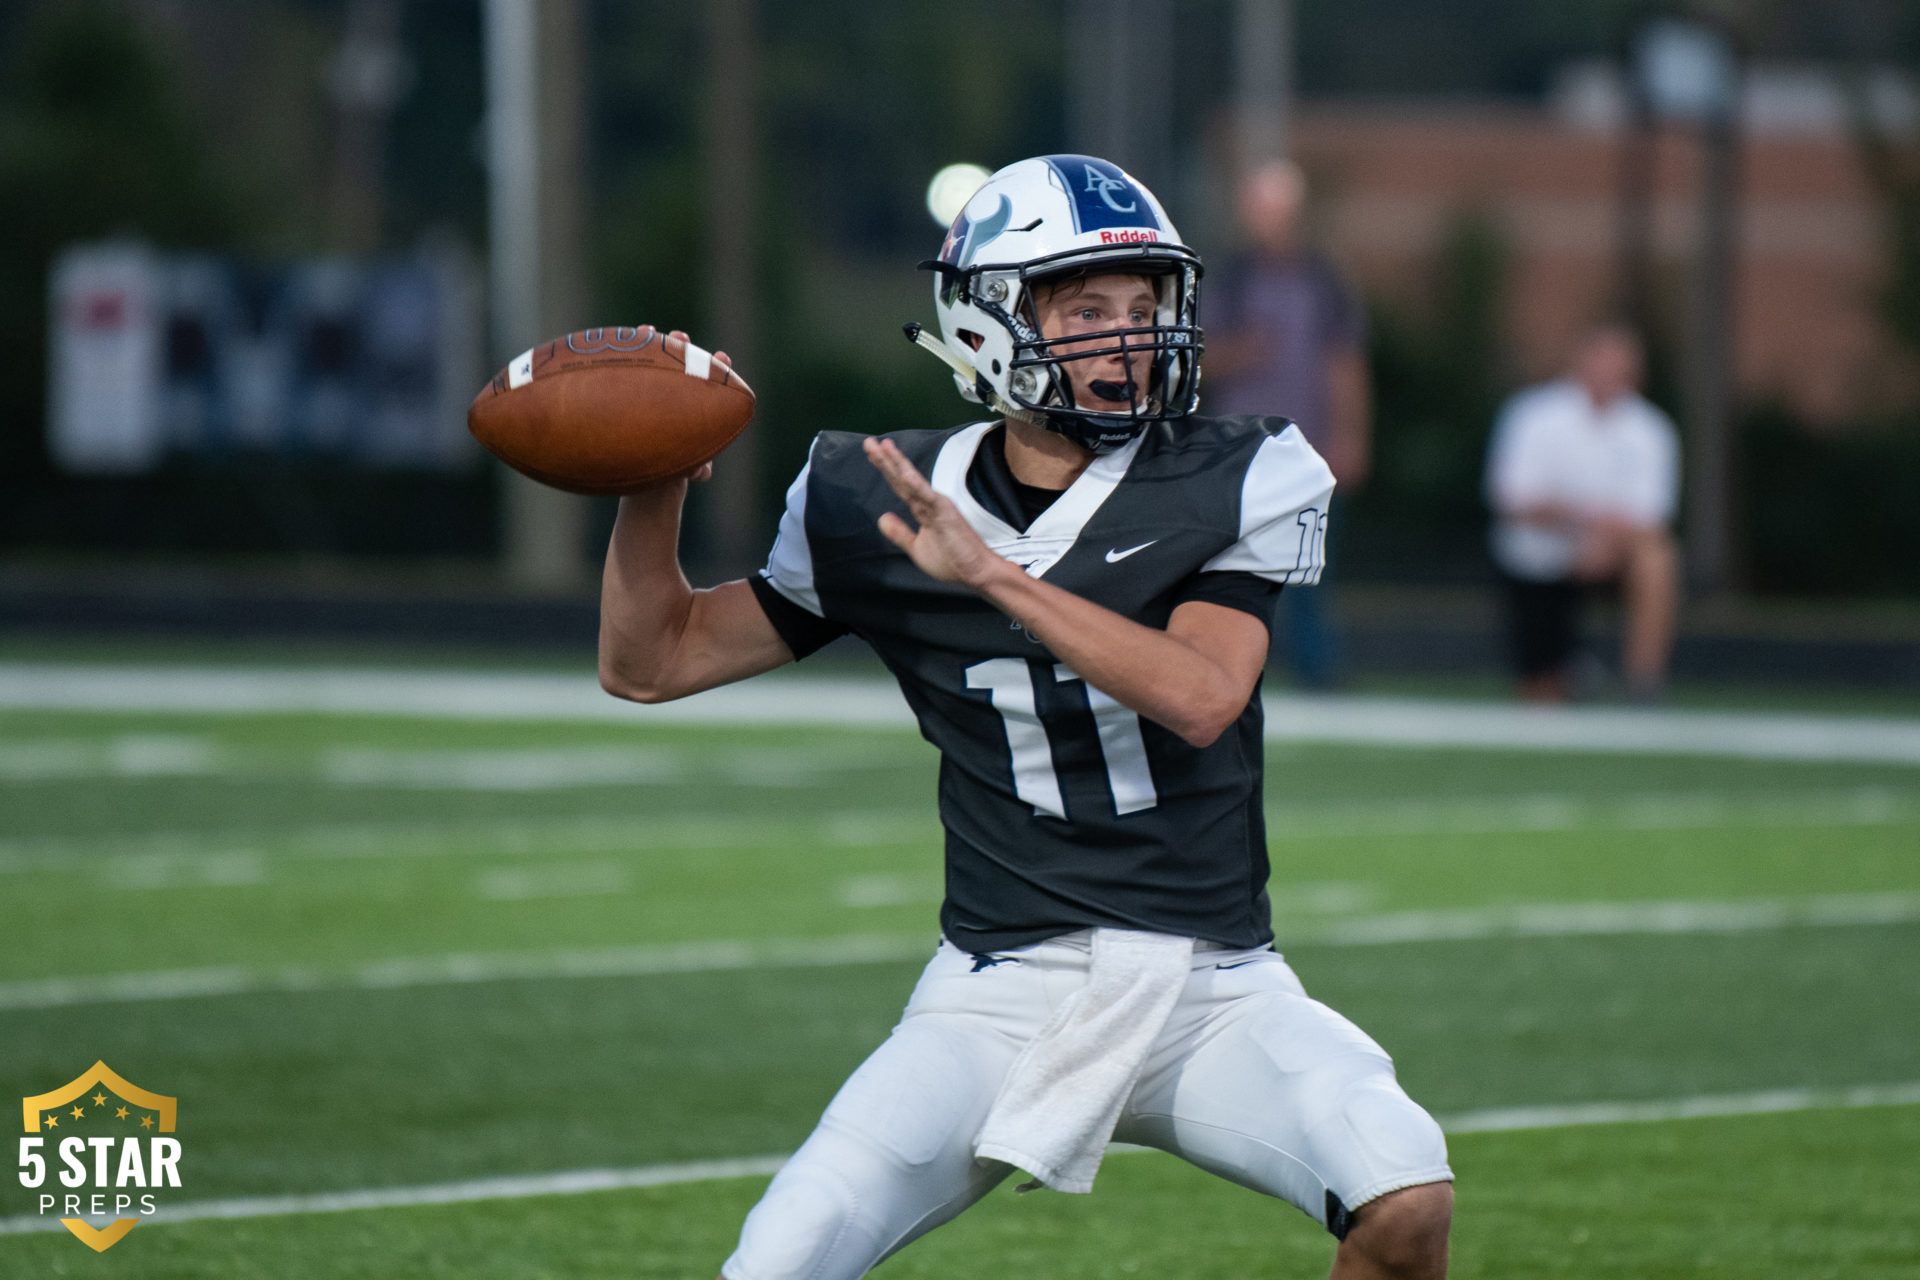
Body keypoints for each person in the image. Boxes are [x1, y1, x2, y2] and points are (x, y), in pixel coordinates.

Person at [600, 155, 1453, 1280]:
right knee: (779, 1257)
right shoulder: (878, 495)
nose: (1128, 335)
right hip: (994, 989)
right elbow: (650, 660)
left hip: (1209, 985)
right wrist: (651, 478)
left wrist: (995, 576)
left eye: (1145, 307)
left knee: (1407, 1196)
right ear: (990, 323)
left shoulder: (1242, 471)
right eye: (1087, 307)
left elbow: (1203, 695)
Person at [1202, 158, 1372, 689]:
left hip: (1308, 447)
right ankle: (1228, 666)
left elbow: (1346, 361)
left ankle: (1317, 673)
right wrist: (1239, 352)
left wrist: (1351, 434)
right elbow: (1194, 360)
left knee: (1310, 565)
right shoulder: (1228, 279)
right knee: (1230, 561)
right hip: (1237, 450)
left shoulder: (1324, 281)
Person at [1483, 323, 1681, 702]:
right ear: (1581, 362)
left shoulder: (1651, 430)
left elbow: (1651, 518)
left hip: (1612, 556)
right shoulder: (1533, 415)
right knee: (1541, 693)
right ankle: (1565, 668)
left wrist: (1600, 539)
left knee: (1657, 559)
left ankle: (1644, 682)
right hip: (1537, 558)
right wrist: (1580, 524)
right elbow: (1510, 501)